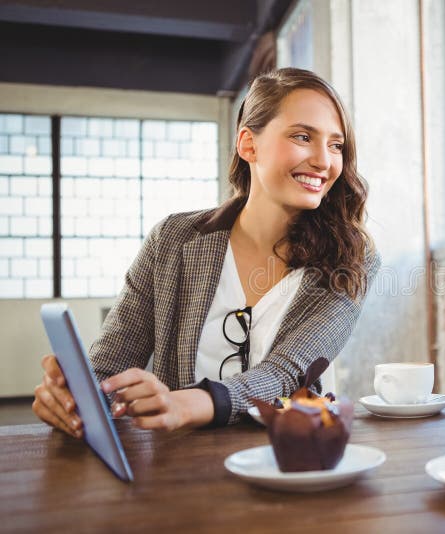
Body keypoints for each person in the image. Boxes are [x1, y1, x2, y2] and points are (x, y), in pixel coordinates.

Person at [32, 68, 379, 436]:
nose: (324, 161)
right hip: (181, 459)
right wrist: (74, 399)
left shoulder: (352, 258)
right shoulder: (171, 240)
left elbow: (286, 373)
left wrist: (190, 403)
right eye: (303, 136)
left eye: (336, 145)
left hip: (291, 455)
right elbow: (108, 369)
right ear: (248, 144)